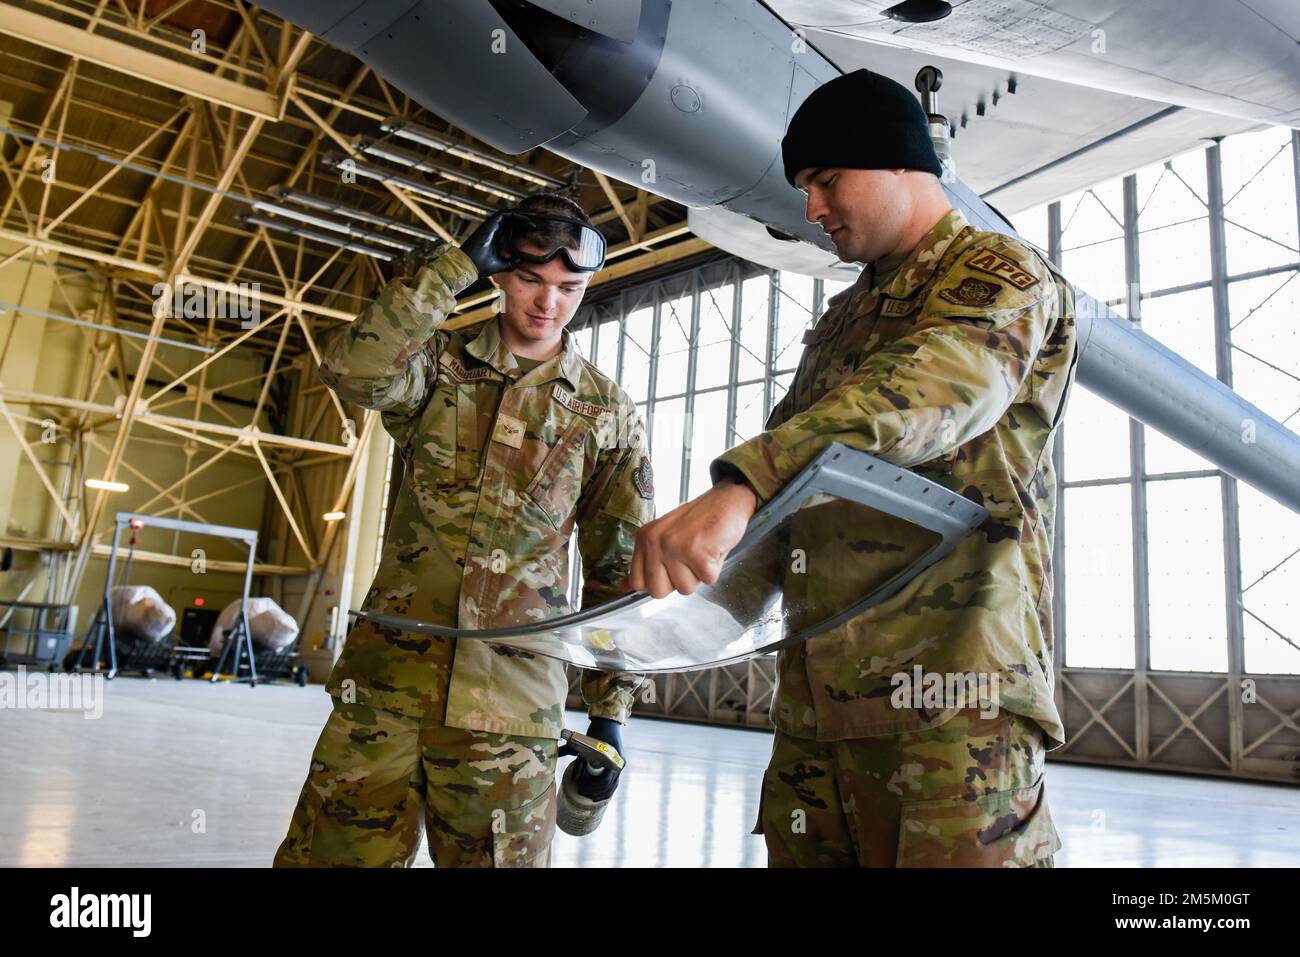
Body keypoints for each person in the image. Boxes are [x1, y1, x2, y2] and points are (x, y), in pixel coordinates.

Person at [627, 69, 1078, 867]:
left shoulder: (996, 276)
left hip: (947, 709)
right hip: (819, 709)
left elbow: (933, 392)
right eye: (804, 187)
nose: (811, 210)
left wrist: (743, 482)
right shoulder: (846, 317)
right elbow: (793, 496)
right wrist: (676, 620)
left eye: (827, 180)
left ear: (900, 161)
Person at [275, 193, 654, 868]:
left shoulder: (606, 412)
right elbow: (353, 368)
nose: (549, 304)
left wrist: (611, 712)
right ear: (502, 274)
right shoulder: (437, 369)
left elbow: (616, 567)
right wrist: (450, 267)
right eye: (533, 281)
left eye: (571, 288)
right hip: (384, 692)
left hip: (510, 712)